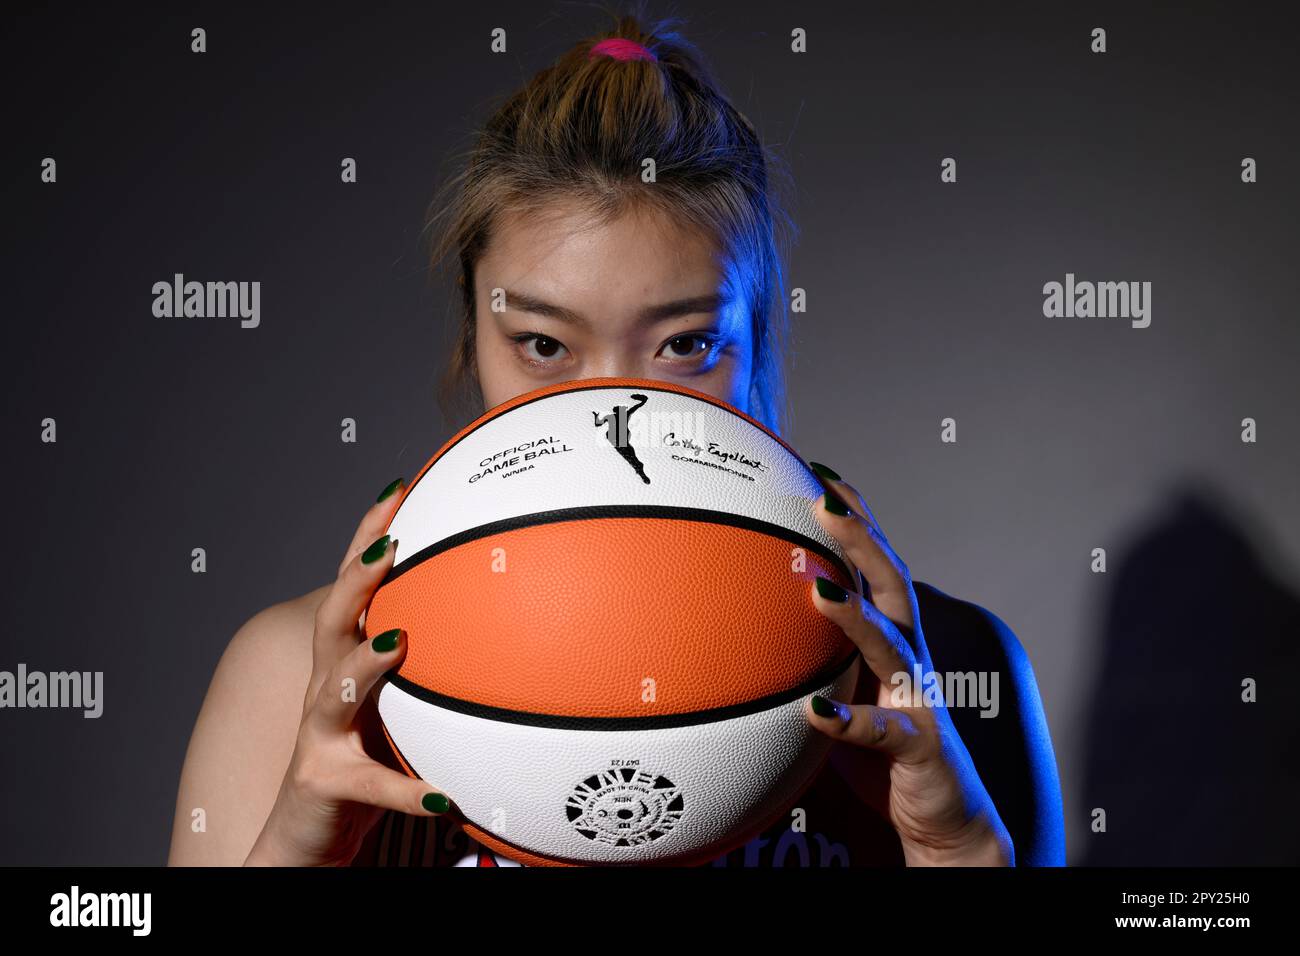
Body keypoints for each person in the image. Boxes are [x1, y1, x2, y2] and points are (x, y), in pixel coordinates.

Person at [167, 15, 1065, 868]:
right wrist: (295, 847)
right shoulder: (293, 679)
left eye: (683, 345)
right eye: (546, 346)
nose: (612, 417)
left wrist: (954, 847)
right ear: (470, 343)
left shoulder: (951, 671)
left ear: (755, 343)